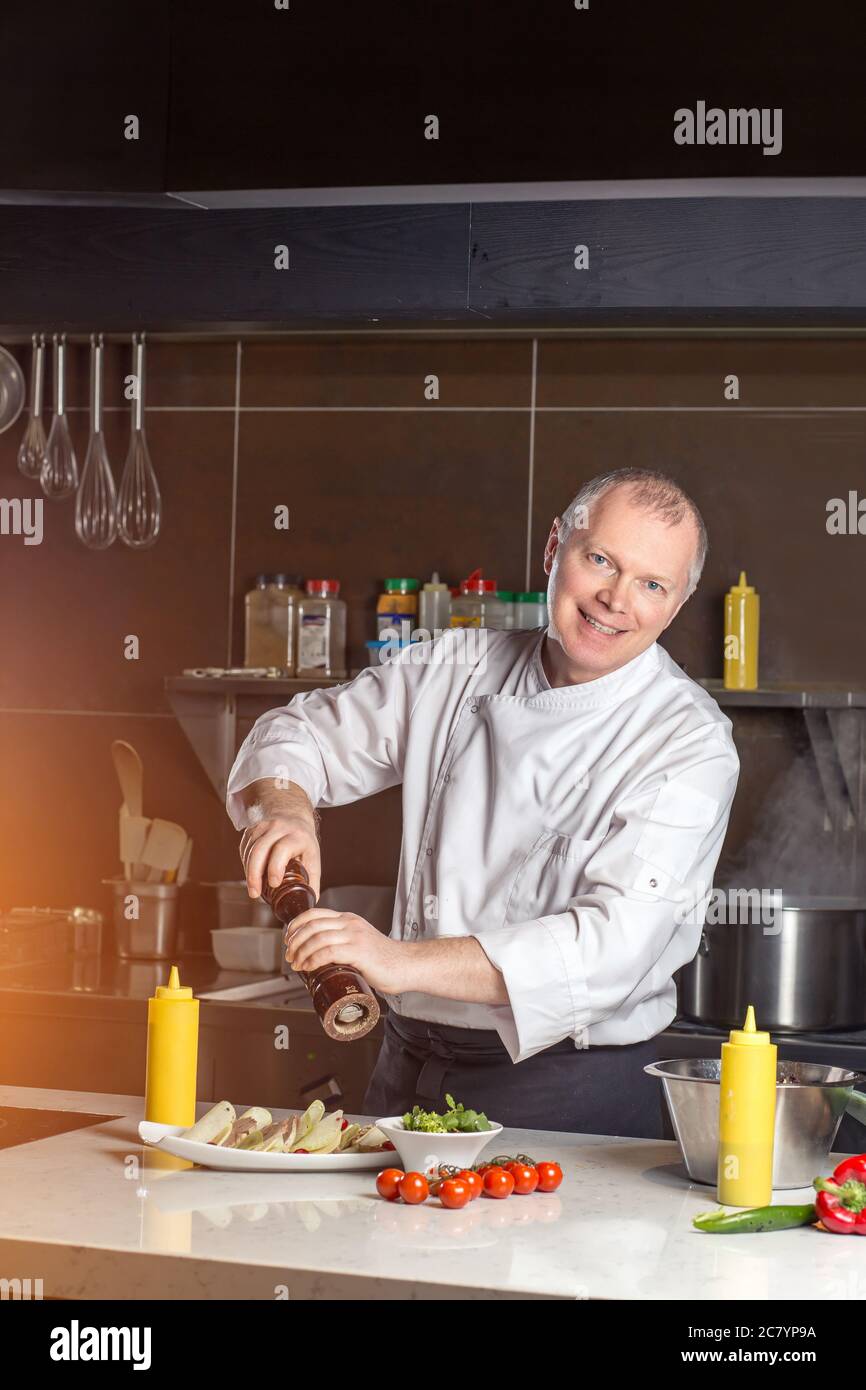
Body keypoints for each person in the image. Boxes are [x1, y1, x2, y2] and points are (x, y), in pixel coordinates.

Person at [226, 468, 740, 1135]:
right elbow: (296, 734)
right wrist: (287, 808)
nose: (616, 599)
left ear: (677, 602)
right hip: (402, 1066)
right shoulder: (454, 666)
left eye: (651, 584)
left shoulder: (687, 743)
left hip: (566, 1091)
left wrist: (397, 959)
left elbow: (609, 948)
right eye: (601, 561)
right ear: (555, 547)